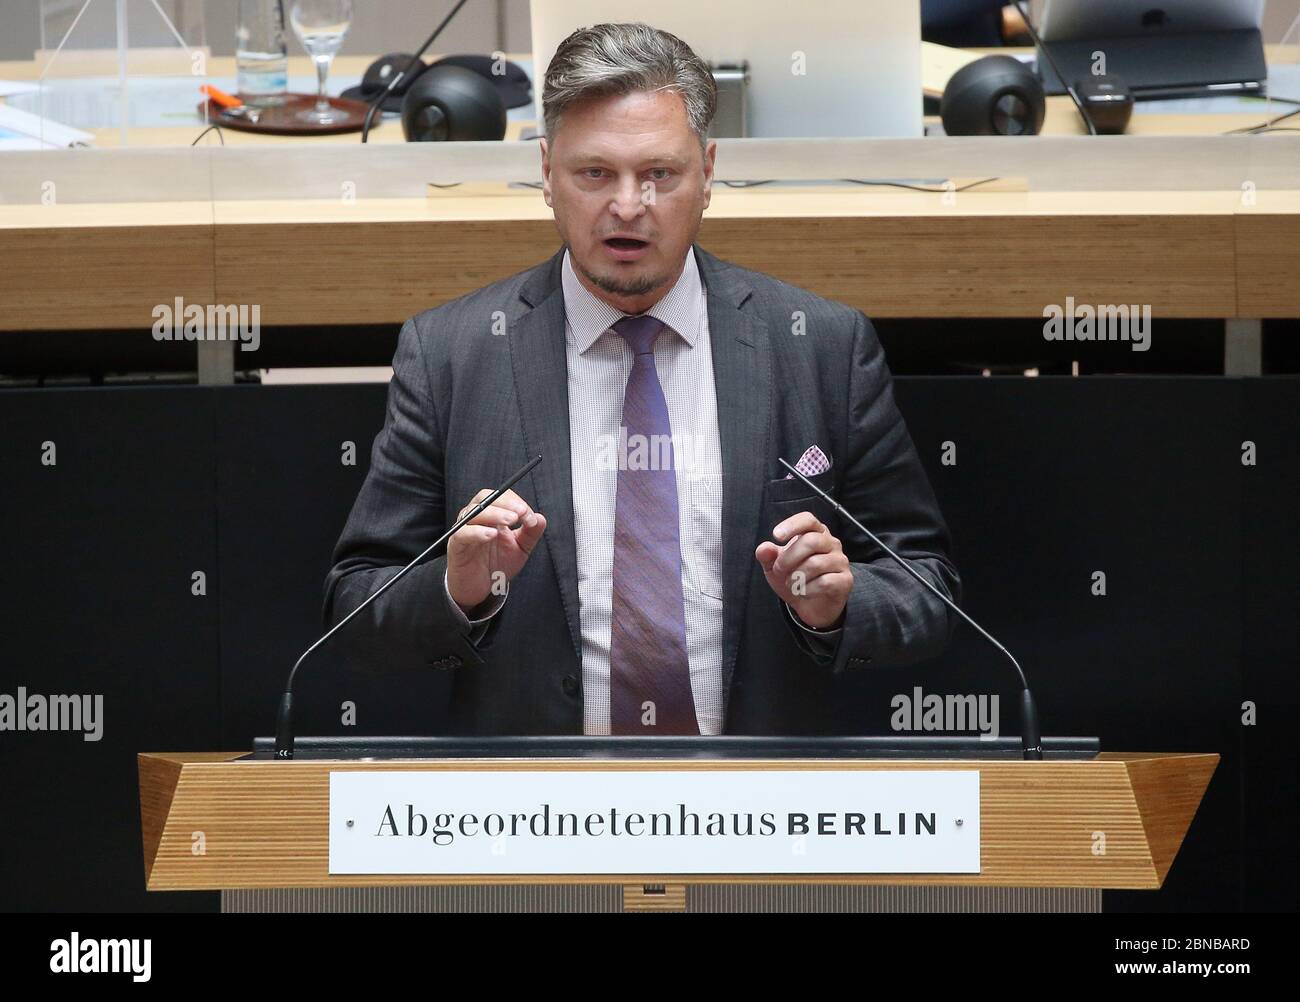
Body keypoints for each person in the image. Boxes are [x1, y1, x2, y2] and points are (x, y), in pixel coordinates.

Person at [324, 22, 960, 736]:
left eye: (659, 173)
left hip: (757, 796)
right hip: (535, 799)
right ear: (546, 174)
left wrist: (839, 606)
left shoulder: (821, 346)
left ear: (708, 174)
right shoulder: (450, 353)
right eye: (595, 173)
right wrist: (457, 589)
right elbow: (355, 612)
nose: (629, 206)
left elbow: (927, 590)